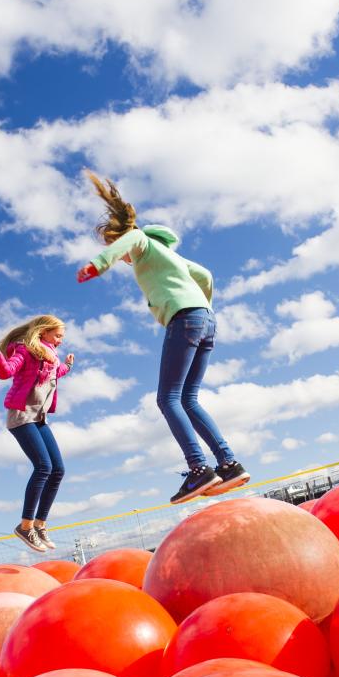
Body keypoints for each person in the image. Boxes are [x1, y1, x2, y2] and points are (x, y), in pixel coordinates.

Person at [77, 172, 249, 504]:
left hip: (185, 318)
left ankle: (199, 469)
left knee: (167, 398)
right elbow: (206, 276)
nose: (125, 259)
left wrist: (98, 264)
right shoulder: (172, 256)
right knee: (189, 399)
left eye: (118, 249)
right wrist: (204, 305)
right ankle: (229, 464)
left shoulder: (140, 244)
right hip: (205, 319)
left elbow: (130, 240)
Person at [0, 315, 74, 553]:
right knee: (43, 467)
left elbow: (54, 373)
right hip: (21, 417)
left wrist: (68, 367)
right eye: (58, 335)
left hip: (39, 418)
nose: (61, 340)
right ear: (43, 332)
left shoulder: (51, 355)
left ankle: (40, 525)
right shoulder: (25, 350)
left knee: (58, 470)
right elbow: (6, 372)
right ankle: (25, 526)